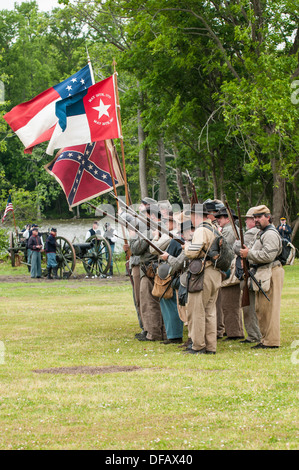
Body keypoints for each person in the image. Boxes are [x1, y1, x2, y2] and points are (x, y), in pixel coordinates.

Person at [240, 205, 284, 349]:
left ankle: (271, 342)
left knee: (269, 309)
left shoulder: (270, 234)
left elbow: (268, 255)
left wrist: (249, 254)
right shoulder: (262, 233)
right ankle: (265, 339)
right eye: (255, 218)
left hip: (271, 272)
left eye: (259, 217)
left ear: (268, 217)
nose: (256, 220)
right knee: (262, 309)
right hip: (263, 272)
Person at [184, 203, 222, 354]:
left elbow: (193, 252)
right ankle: (210, 346)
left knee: (197, 310)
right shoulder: (215, 229)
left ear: (198, 215)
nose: (191, 219)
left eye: (192, 215)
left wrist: (186, 247)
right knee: (210, 312)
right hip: (215, 273)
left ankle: (198, 346)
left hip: (203, 273)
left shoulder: (201, 230)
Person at [130, 205, 166, 342]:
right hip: (153, 268)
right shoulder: (158, 228)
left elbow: (136, 249)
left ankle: (153, 333)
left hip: (149, 269)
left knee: (149, 303)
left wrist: (134, 236)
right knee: (152, 302)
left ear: (152, 216)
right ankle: (153, 331)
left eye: (146, 214)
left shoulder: (152, 230)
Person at [215, 206, 244, 341]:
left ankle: (234, 333)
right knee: (229, 303)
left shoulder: (228, 231)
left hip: (231, 270)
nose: (218, 220)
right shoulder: (231, 230)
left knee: (229, 304)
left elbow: (224, 250)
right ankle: (234, 331)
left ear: (228, 219)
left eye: (220, 217)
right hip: (232, 268)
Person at [234, 208, 261, 343]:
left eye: (248, 219)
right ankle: (255, 334)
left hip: (250, 274)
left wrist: (237, 241)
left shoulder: (251, 233)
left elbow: (236, 248)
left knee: (249, 308)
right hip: (253, 273)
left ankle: (254, 335)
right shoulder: (257, 232)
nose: (246, 221)